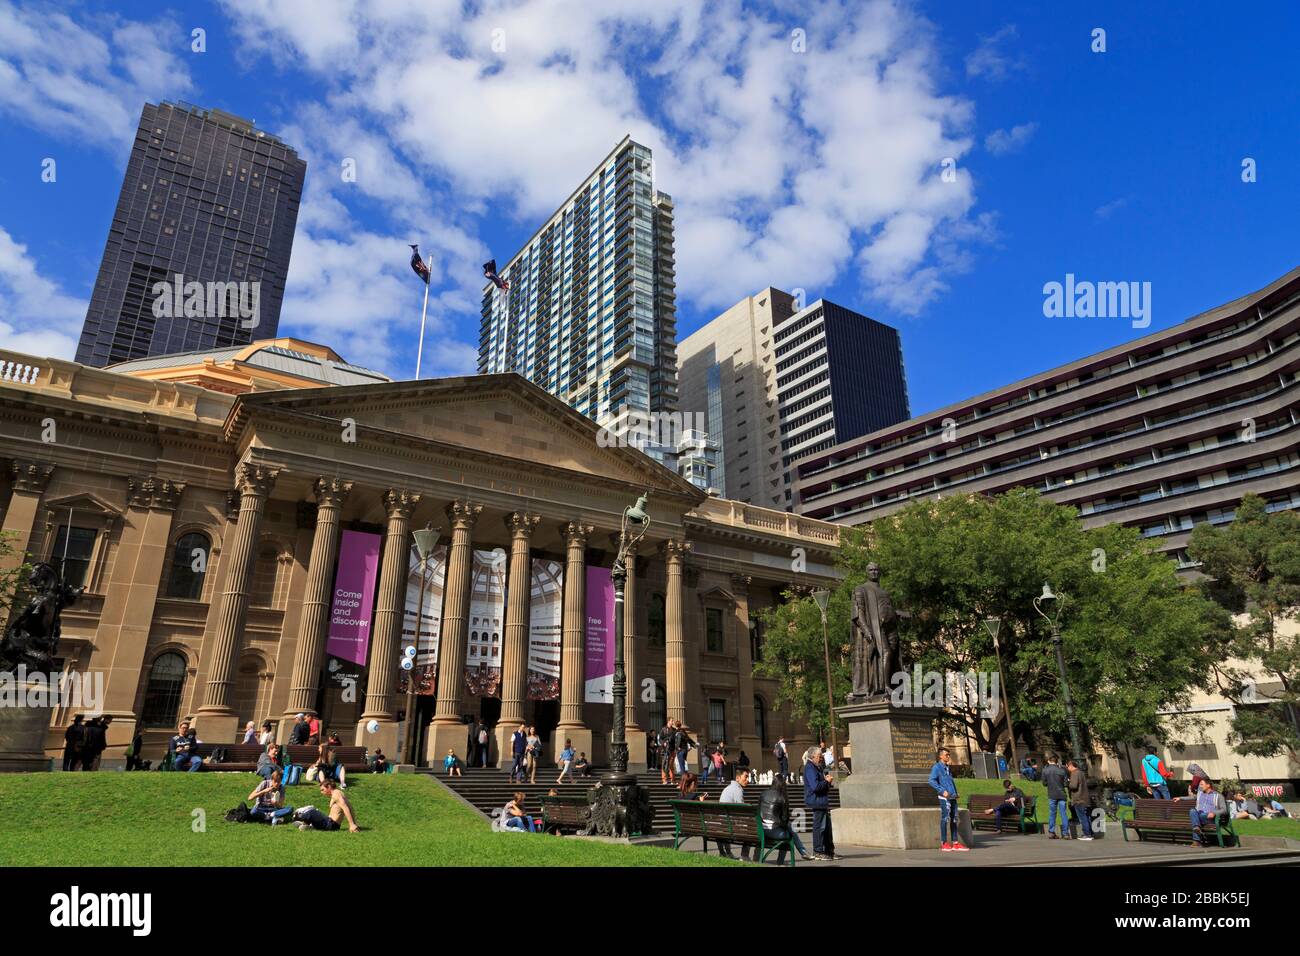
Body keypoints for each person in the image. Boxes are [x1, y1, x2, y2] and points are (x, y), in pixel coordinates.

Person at [758, 776, 814, 864]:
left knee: (789, 826)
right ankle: (796, 854)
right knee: (789, 834)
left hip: (760, 830)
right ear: (783, 785)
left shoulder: (763, 794)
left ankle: (802, 851)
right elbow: (785, 819)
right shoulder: (782, 797)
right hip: (774, 832)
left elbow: (758, 811)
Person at [928, 747, 967, 852]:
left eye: (949, 754)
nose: (949, 756)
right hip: (944, 798)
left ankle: (955, 843)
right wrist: (942, 791)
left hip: (952, 797)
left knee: (954, 819)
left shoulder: (947, 767)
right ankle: (944, 843)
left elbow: (950, 781)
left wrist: (955, 792)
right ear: (940, 756)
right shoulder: (937, 767)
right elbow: (931, 781)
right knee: (945, 819)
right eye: (946, 755)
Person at [804, 746, 839, 860]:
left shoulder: (816, 767)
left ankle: (829, 851)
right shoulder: (810, 767)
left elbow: (820, 784)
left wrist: (826, 782)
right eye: (819, 756)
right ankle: (818, 851)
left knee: (827, 827)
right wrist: (826, 781)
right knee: (820, 827)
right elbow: (815, 786)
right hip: (817, 801)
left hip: (821, 801)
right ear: (813, 756)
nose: (821, 758)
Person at [716, 768, 753, 861]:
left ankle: (725, 853)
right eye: (746, 777)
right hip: (730, 825)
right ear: (737, 778)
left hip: (722, 825)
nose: (748, 780)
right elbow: (742, 812)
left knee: (724, 827)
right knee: (752, 828)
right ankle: (744, 856)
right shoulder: (737, 789)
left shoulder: (727, 788)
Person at [1188, 777, 1227, 846]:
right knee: (1192, 811)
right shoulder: (1200, 794)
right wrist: (1180, 798)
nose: (1200, 786)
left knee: (1199, 816)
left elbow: (1224, 810)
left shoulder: (1218, 796)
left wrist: (1214, 813)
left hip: (1210, 817)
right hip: (1200, 816)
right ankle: (1197, 827)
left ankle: (1196, 840)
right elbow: (1191, 797)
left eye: (1202, 784)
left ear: (1208, 785)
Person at [1041, 753, 1070, 840]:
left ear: (1049, 760)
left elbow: (1044, 783)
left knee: (1052, 814)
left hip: (1052, 794)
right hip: (1061, 794)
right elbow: (1065, 783)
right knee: (1063, 814)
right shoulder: (1062, 770)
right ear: (1056, 761)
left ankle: (1051, 832)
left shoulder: (1045, 770)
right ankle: (1065, 833)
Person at [1066, 758, 1094, 841]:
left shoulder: (1074, 773)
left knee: (1082, 818)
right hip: (1085, 798)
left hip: (1079, 799)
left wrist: (1068, 783)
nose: (1067, 768)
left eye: (1068, 766)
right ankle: (1090, 833)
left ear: (1071, 765)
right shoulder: (1081, 773)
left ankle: (1087, 834)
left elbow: (1074, 786)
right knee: (1086, 817)